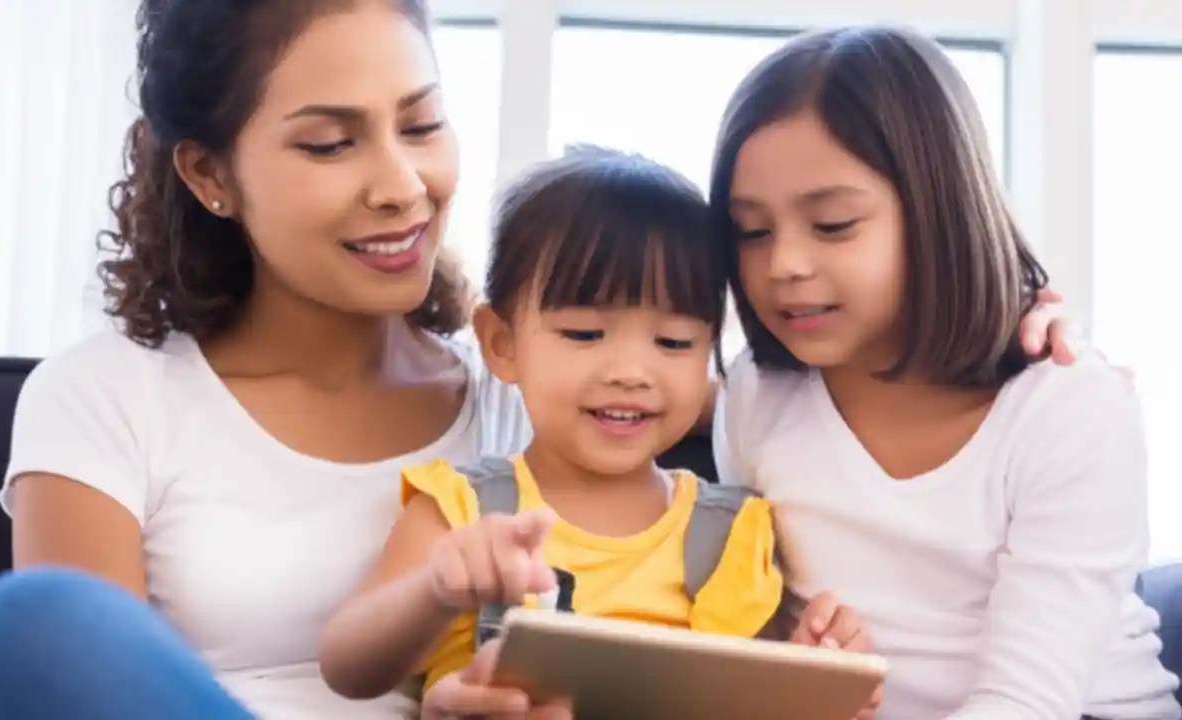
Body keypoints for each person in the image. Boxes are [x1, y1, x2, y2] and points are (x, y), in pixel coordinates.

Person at [0, 2, 1075, 716]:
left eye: (420, 123)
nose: (401, 183)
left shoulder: (540, 403)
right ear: (211, 175)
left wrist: (1008, 326)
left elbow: (798, 353)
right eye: (330, 143)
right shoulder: (108, 397)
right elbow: (75, 678)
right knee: (34, 628)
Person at [709, 26, 1182, 720]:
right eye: (752, 231)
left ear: (939, 211)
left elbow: (1027, 701)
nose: (784, 264)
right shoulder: (756, 392)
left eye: (833, 224)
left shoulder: (1067, 408)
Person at [317, 147, 879, 718]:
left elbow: (747, 704)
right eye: (585, 334)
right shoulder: (462, 511)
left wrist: (816, 680)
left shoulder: (729, 538)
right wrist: (436, 589)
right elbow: (348, 667)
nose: (630, 373)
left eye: (674, 342)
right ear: (502, 344)